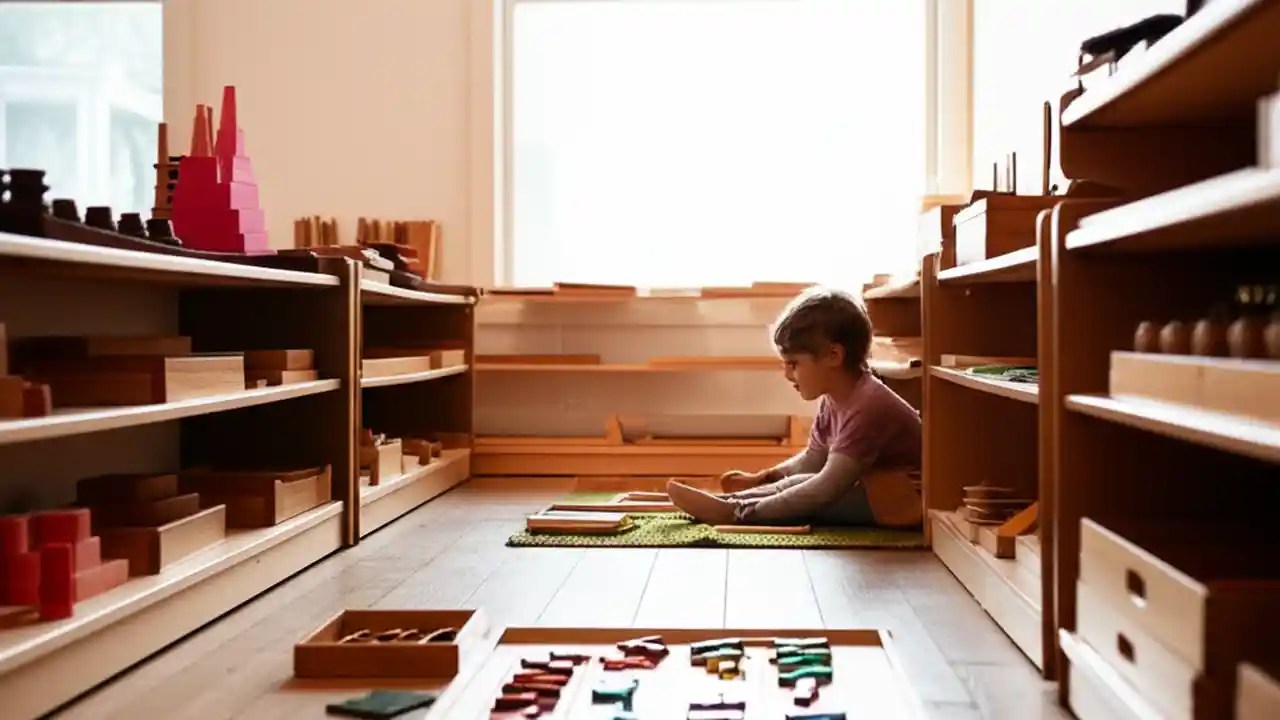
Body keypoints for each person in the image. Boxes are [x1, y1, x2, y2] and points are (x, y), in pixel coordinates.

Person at [666, 286, 923, 528]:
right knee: (802, 481)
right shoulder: (835, 397)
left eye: (793, 364)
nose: (788, 375)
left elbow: (828, 485)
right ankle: (729, 503)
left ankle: (738, 513)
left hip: (904, 500)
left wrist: (754, 510)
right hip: (876, 487)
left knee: (811, 488)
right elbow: (813, 460)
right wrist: (771, 476)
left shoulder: (869, 406)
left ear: (833, 356)